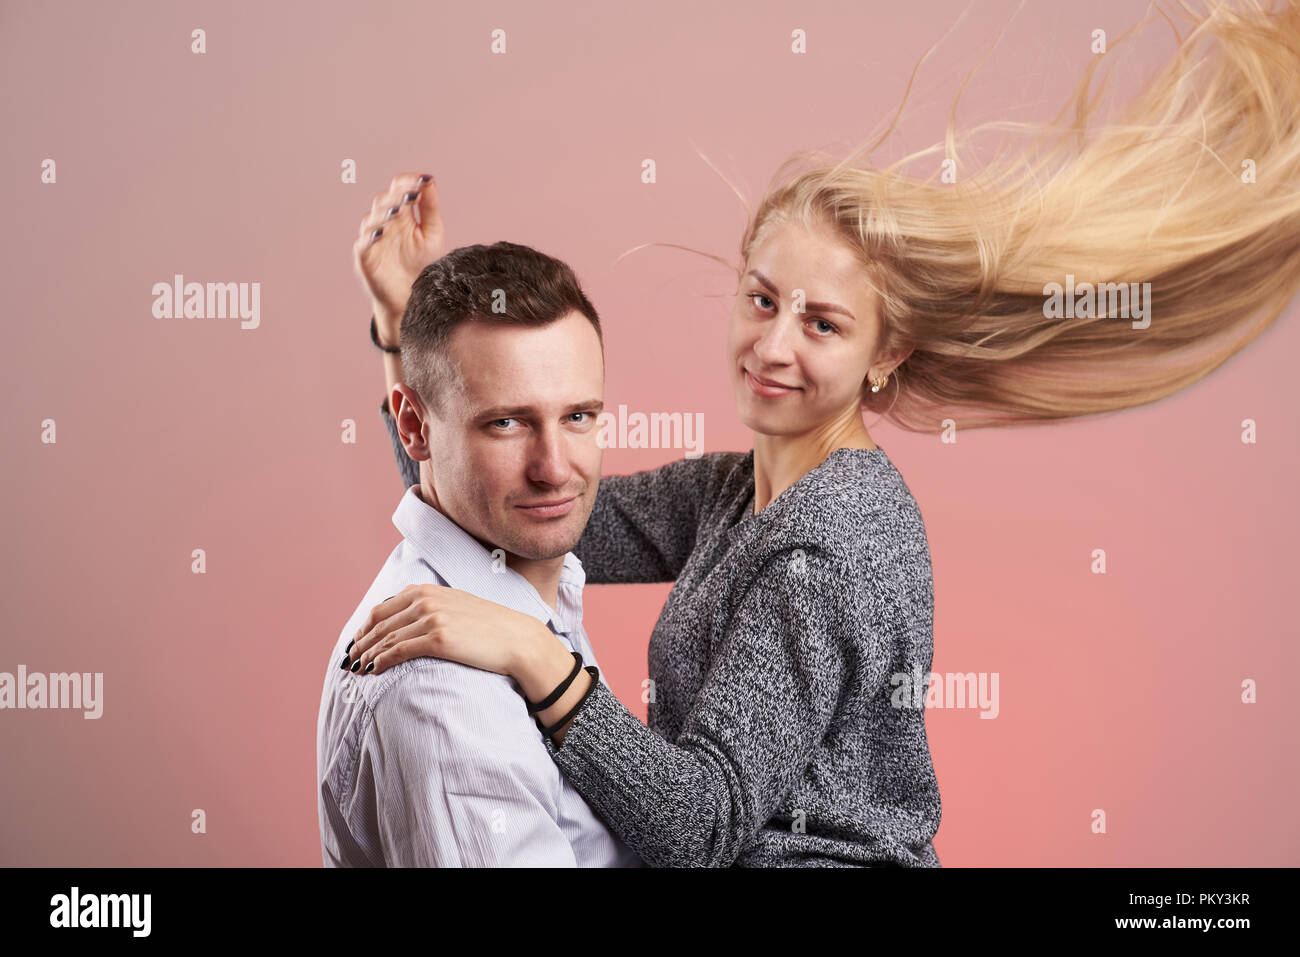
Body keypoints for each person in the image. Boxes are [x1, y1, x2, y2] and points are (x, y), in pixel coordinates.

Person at [347, 1, 1300, 867]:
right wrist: (409, 337)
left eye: (823, 324)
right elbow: (518, 504)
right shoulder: (734, 490)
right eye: (761, 300)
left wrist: (528, 648)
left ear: (886, 356)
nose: (771, 346)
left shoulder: (831, 543)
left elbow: (697, 826)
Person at [316, 236, 643, 867]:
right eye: (506, 424)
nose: (554, 470)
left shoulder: (522, 587)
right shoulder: (444, 703)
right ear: (413, 424)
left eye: (579, 416)